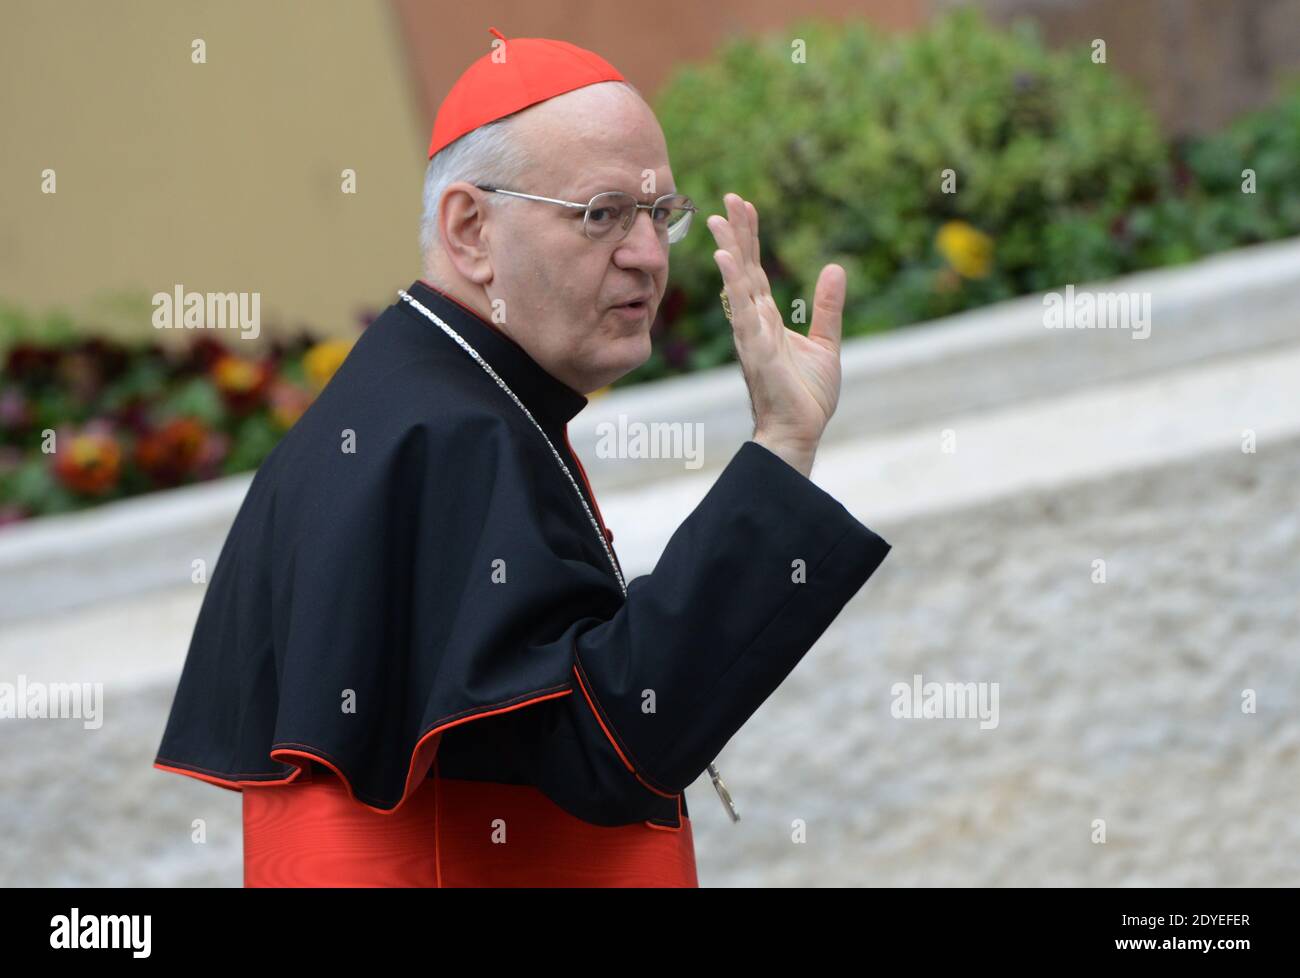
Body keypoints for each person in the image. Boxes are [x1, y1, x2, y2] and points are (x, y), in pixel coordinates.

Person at [154, 28, 891, 887]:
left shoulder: (418, 401)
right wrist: (780, 447)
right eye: (602, 214)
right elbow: (607, 747)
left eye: (661, 215)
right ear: (470, 230)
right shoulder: (445, 436)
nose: (648, 256)